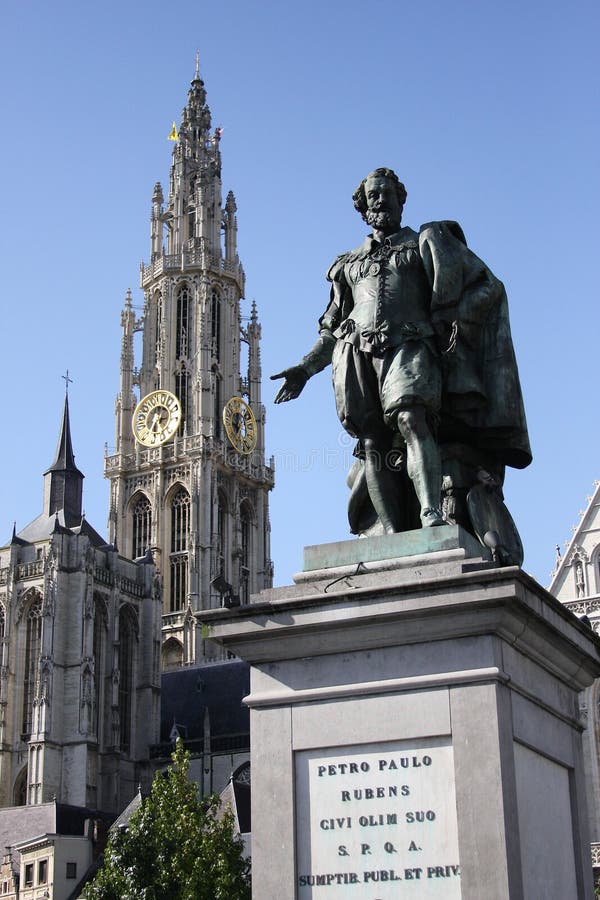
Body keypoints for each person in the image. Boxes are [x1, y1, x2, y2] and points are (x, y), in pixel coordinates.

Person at [272, 168, 531, 542]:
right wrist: (305, 367)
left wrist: (451, 321)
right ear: (362, 207)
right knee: (372, 441)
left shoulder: (425, 242)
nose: (379, 200)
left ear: (400, 199)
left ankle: (429, 513)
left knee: (412, 419)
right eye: (372, 195)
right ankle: (392, 532)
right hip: (356, 355)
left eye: (386, 193)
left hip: (411, 345)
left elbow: (487, 286)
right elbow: (331, 329)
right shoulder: (347, 264)